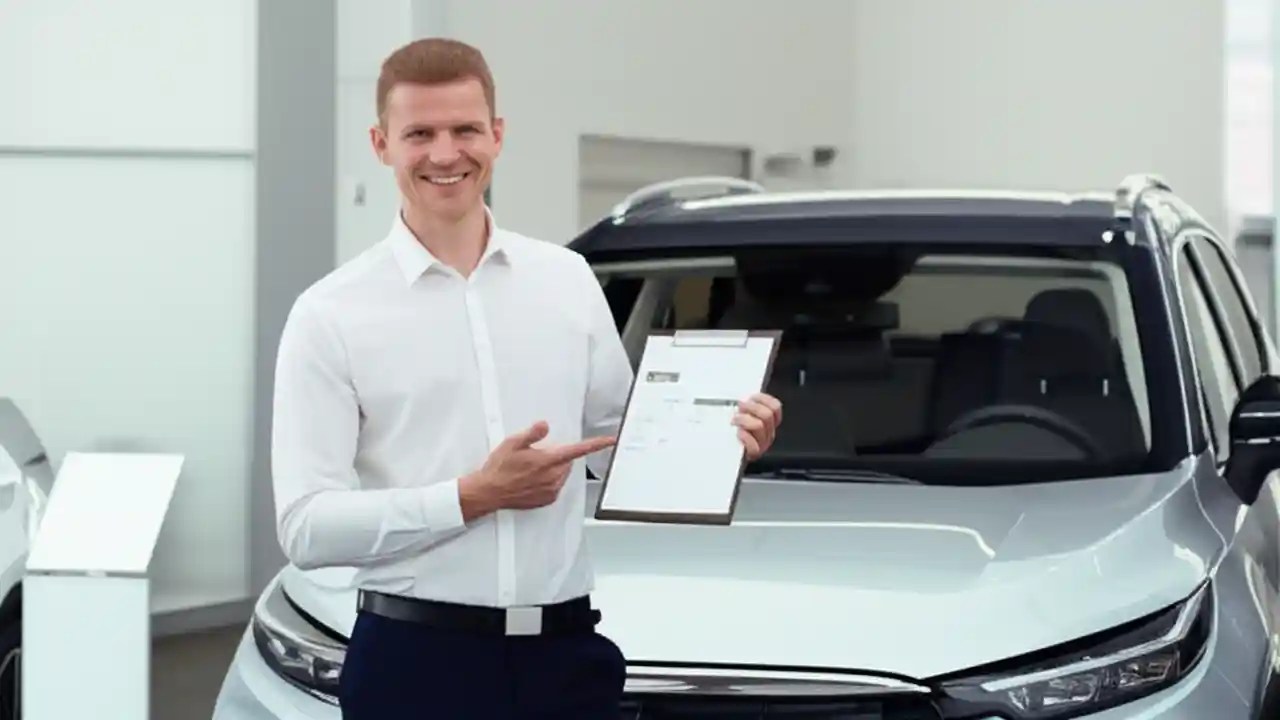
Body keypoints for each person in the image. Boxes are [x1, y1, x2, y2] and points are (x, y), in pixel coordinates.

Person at [269, 37, 783, 719]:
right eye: (420, 134)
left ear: (498, 135)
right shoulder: (330, 313)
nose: (445, 154)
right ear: (381, 143)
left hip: (564, 661)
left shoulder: (567, 280)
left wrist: (721, 443)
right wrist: (471, 497)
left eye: (465, 129)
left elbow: (619, 453)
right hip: (414, 665)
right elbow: (306, 527)